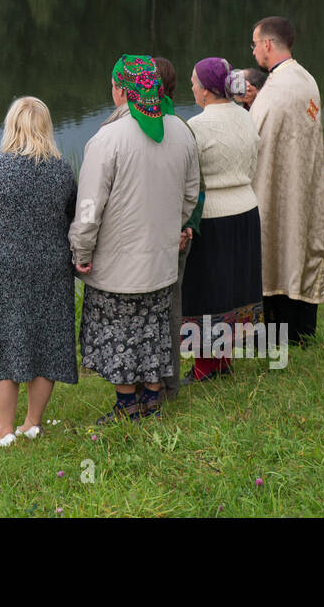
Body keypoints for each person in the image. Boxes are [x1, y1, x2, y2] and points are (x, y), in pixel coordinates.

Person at [70, 55, 199, 422]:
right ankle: (153, 400)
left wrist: (81, 250)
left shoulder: (107, 139)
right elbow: (190, 194)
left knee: (120, 332)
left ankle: (127, 406)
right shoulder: (180, 130)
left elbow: (89, 207)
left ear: (122, 90)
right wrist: (173, 228)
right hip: (161, 260)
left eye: (113, 86)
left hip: (117, 264)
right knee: (152, 329)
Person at [0, 97, 78, 447]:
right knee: (48, 340)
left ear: (11, 126)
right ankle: (32, 423)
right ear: (46, 127)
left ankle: (4, 430)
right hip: (50, 265)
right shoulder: (62, 170)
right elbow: (71, 217)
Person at [249, 17, 324, 344]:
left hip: (275, 191)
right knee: (300, 248)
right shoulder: (306, 80)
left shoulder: (274, 92)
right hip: (306, 187)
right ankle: (303, 329)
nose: (255, 50)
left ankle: (276, 335)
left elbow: (251, 143)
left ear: (268, 45)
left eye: (256, 44)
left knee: (275, 251)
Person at [182, 58, 263, 381]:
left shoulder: (196, 127)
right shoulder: (247, 118)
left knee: (205, 289)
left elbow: (189, 179)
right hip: (245, 208)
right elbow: (254, 163)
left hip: (213, 215)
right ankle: (224, 361)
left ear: (205, 90)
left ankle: (204, 368)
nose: (191, 87)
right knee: (234, 287)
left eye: (194, 82)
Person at [152, 56, 202, 402]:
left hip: (153, 238)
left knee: (148, 310)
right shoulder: (184, 128)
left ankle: (146, 384)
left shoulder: (151, 128)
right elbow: (197, 188)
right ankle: (167, 384)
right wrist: (189, 227)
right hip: (178, 235)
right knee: (172, 306)